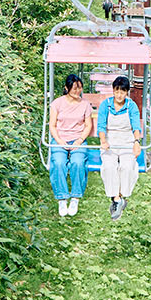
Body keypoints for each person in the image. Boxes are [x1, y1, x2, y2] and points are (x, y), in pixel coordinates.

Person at [95, 76, 145, 219]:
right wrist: (103, 141)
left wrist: (136, 142)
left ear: (127, 92)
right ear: (113, 91)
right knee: (109, 166)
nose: (119, 95)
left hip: (126, 140)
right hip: (110, 140)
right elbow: (101, 125)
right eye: (117, 92)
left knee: (127, 166)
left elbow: (136, 126)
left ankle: (122, 195)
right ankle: (116, 199)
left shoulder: (131, 106)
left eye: (122, 92)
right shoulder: (106, 105)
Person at [48, 73, 94, 217]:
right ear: (67, 88)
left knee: (78, 163)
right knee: (59, 163)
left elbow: (88, 125)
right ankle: (62, 197)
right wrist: (59, 140)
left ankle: (75, 197)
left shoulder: (85, 105)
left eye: (79, 88)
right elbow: (52, 125)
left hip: (78, 139)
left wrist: (80, 140)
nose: (77, 91)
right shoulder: (57, 104)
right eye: (74, 88)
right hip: (60, 138)